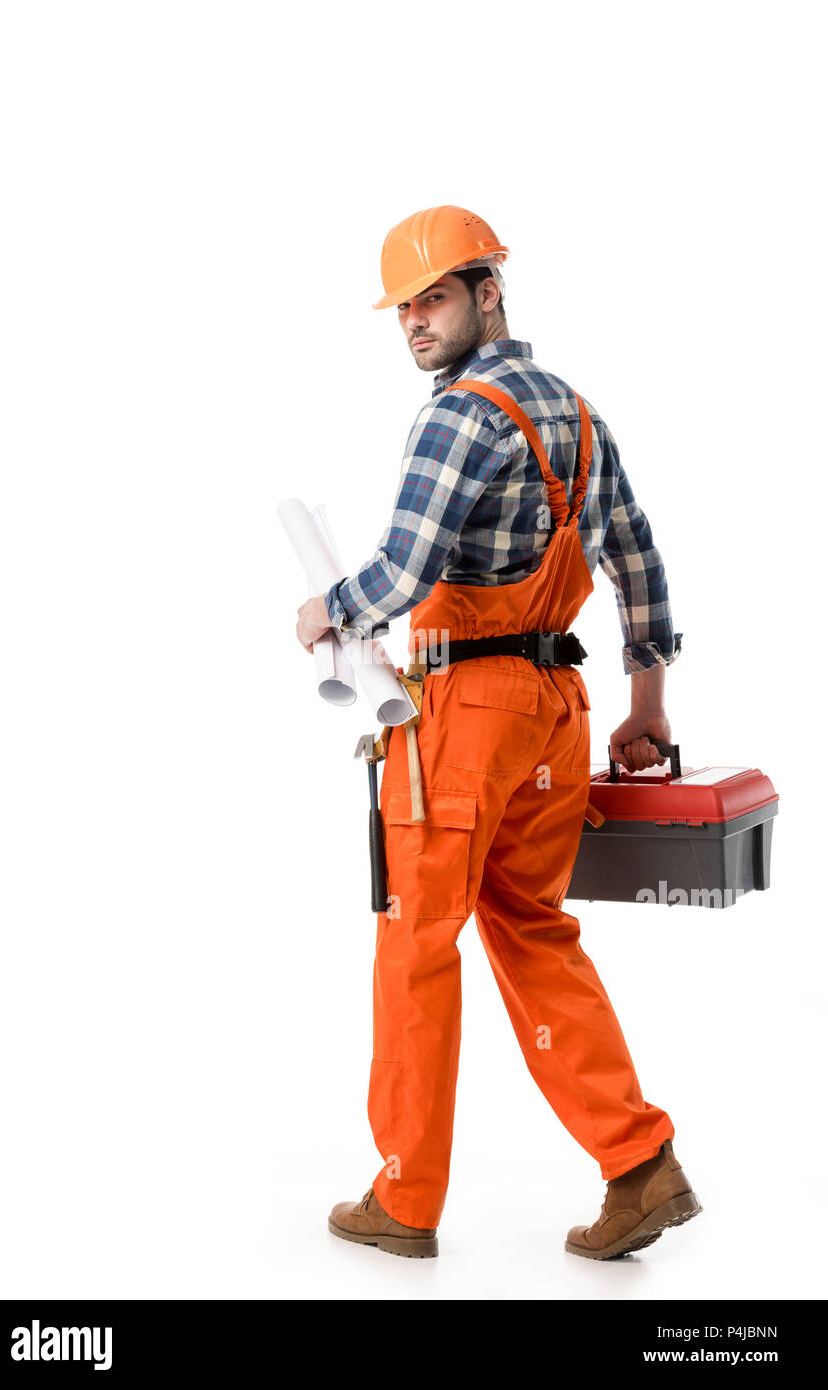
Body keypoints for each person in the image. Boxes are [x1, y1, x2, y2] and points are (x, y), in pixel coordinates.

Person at [295, 205, 702, 1260]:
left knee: (417, 945)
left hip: (462, 722)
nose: (416, 324)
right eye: (405, 308)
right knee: (532, 929)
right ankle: (640, 1165)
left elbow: (404, 570)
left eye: (434, 298)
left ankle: (406, 1195)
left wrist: (328, 609)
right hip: (557, 717)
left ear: (490, 293)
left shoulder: (454, 416)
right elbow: (638, 563)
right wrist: (647, 705)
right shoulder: (575, 410)